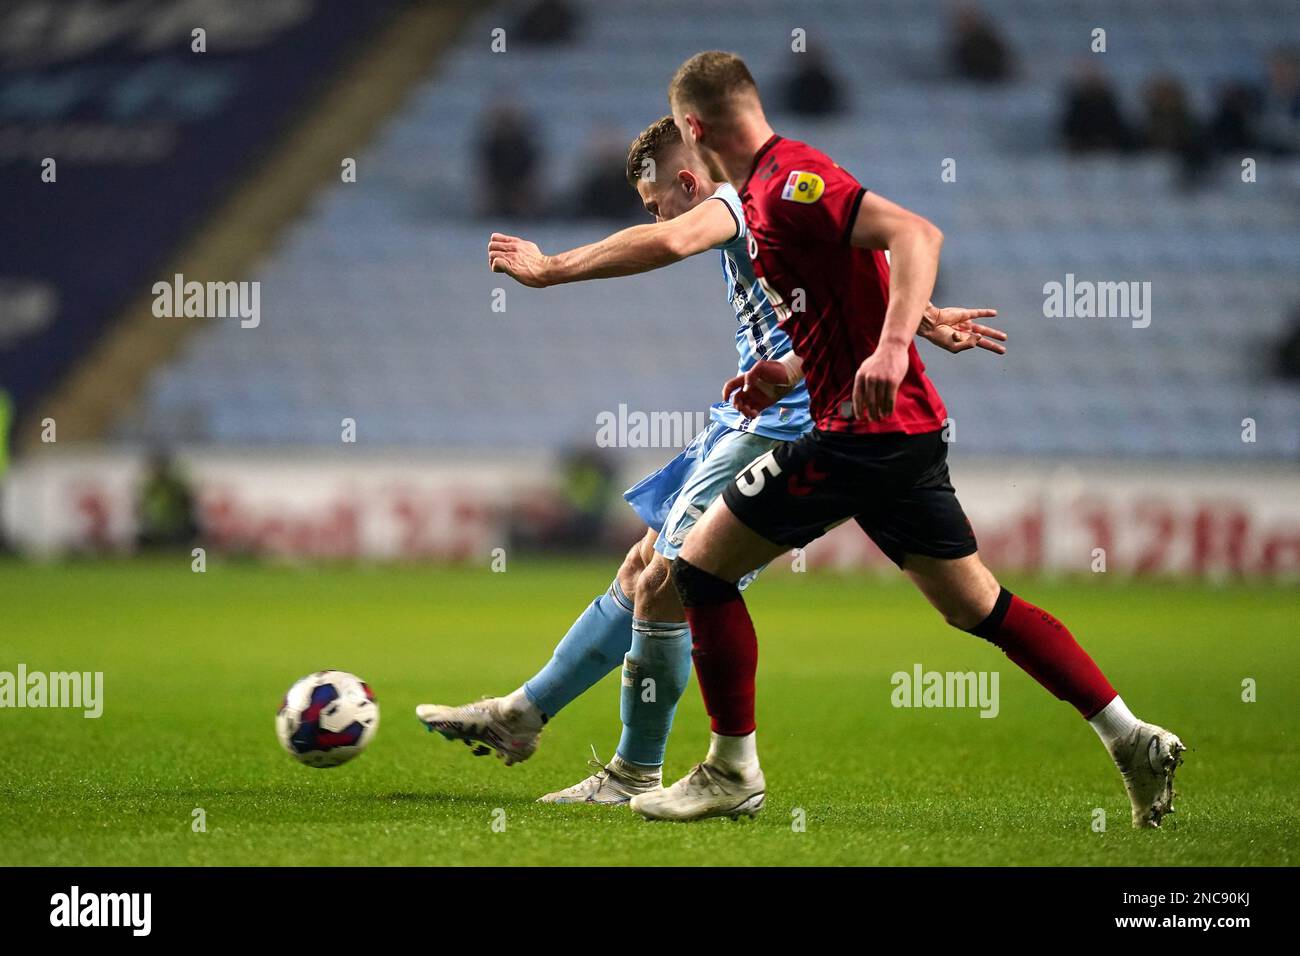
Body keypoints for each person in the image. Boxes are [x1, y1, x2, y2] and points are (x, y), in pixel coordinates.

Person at [622, 51, 1183, 827]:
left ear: (693, 126)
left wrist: (892, 346)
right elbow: (846, 286)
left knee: (700, 570)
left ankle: (730, 770)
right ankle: (1131, 737)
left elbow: (914, 231)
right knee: (978, 607)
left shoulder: (789, 180)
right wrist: (786, 372)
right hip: (904, 436)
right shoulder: (765, 193)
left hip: (859, 436)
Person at [416, 117, 1005, 803]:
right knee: (642, 568)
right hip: (751, 416)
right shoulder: (783, 202)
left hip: (783, 423)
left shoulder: (728, 201)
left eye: (655, 197)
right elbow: (844, 282)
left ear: (687, 181)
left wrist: (550, 268)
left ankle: (633, 770)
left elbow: (669, 238)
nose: (657, 211)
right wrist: (922, 318)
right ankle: (523, 714)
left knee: (669, 578)